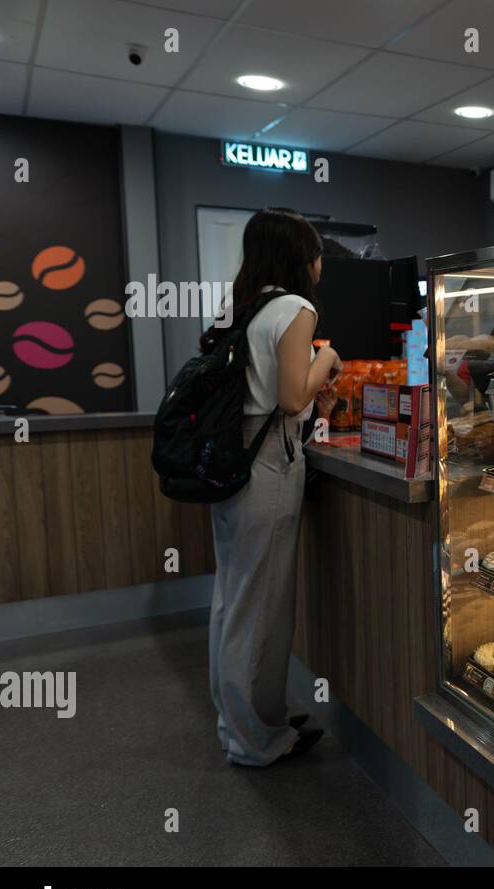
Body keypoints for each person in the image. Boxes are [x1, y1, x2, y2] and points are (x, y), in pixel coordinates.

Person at [206, 207, 339, 767]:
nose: (321, 264)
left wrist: (314, 398)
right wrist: (326, 358)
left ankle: (244, 721)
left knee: (233, 600)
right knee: (261, 606)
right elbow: (289, 398)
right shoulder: (295, 309)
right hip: (268, 470)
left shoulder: (241, 305)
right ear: (299, 256)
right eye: (317, 252)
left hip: (232, 467)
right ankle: (257, 741)